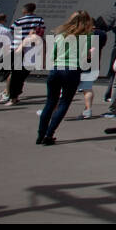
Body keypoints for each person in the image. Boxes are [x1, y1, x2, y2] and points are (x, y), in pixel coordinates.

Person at [36, 11, 93, 145]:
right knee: (64, 102)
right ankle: (49, 135)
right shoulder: (87, 36)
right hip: (72, 70)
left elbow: (53, 55)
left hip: (56, 69)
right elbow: (86, 58)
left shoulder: (61, 35)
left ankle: (40, 134)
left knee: (50, 103)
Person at [5, 3, 45, 106]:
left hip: (18, 48)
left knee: (15, 74)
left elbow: (12, 32)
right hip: (32, 49)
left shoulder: (18, 21)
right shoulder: (39, 20)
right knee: (23, 74)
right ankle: (16, 94)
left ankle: (13, 97)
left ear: (24, 10)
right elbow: (41, 33)